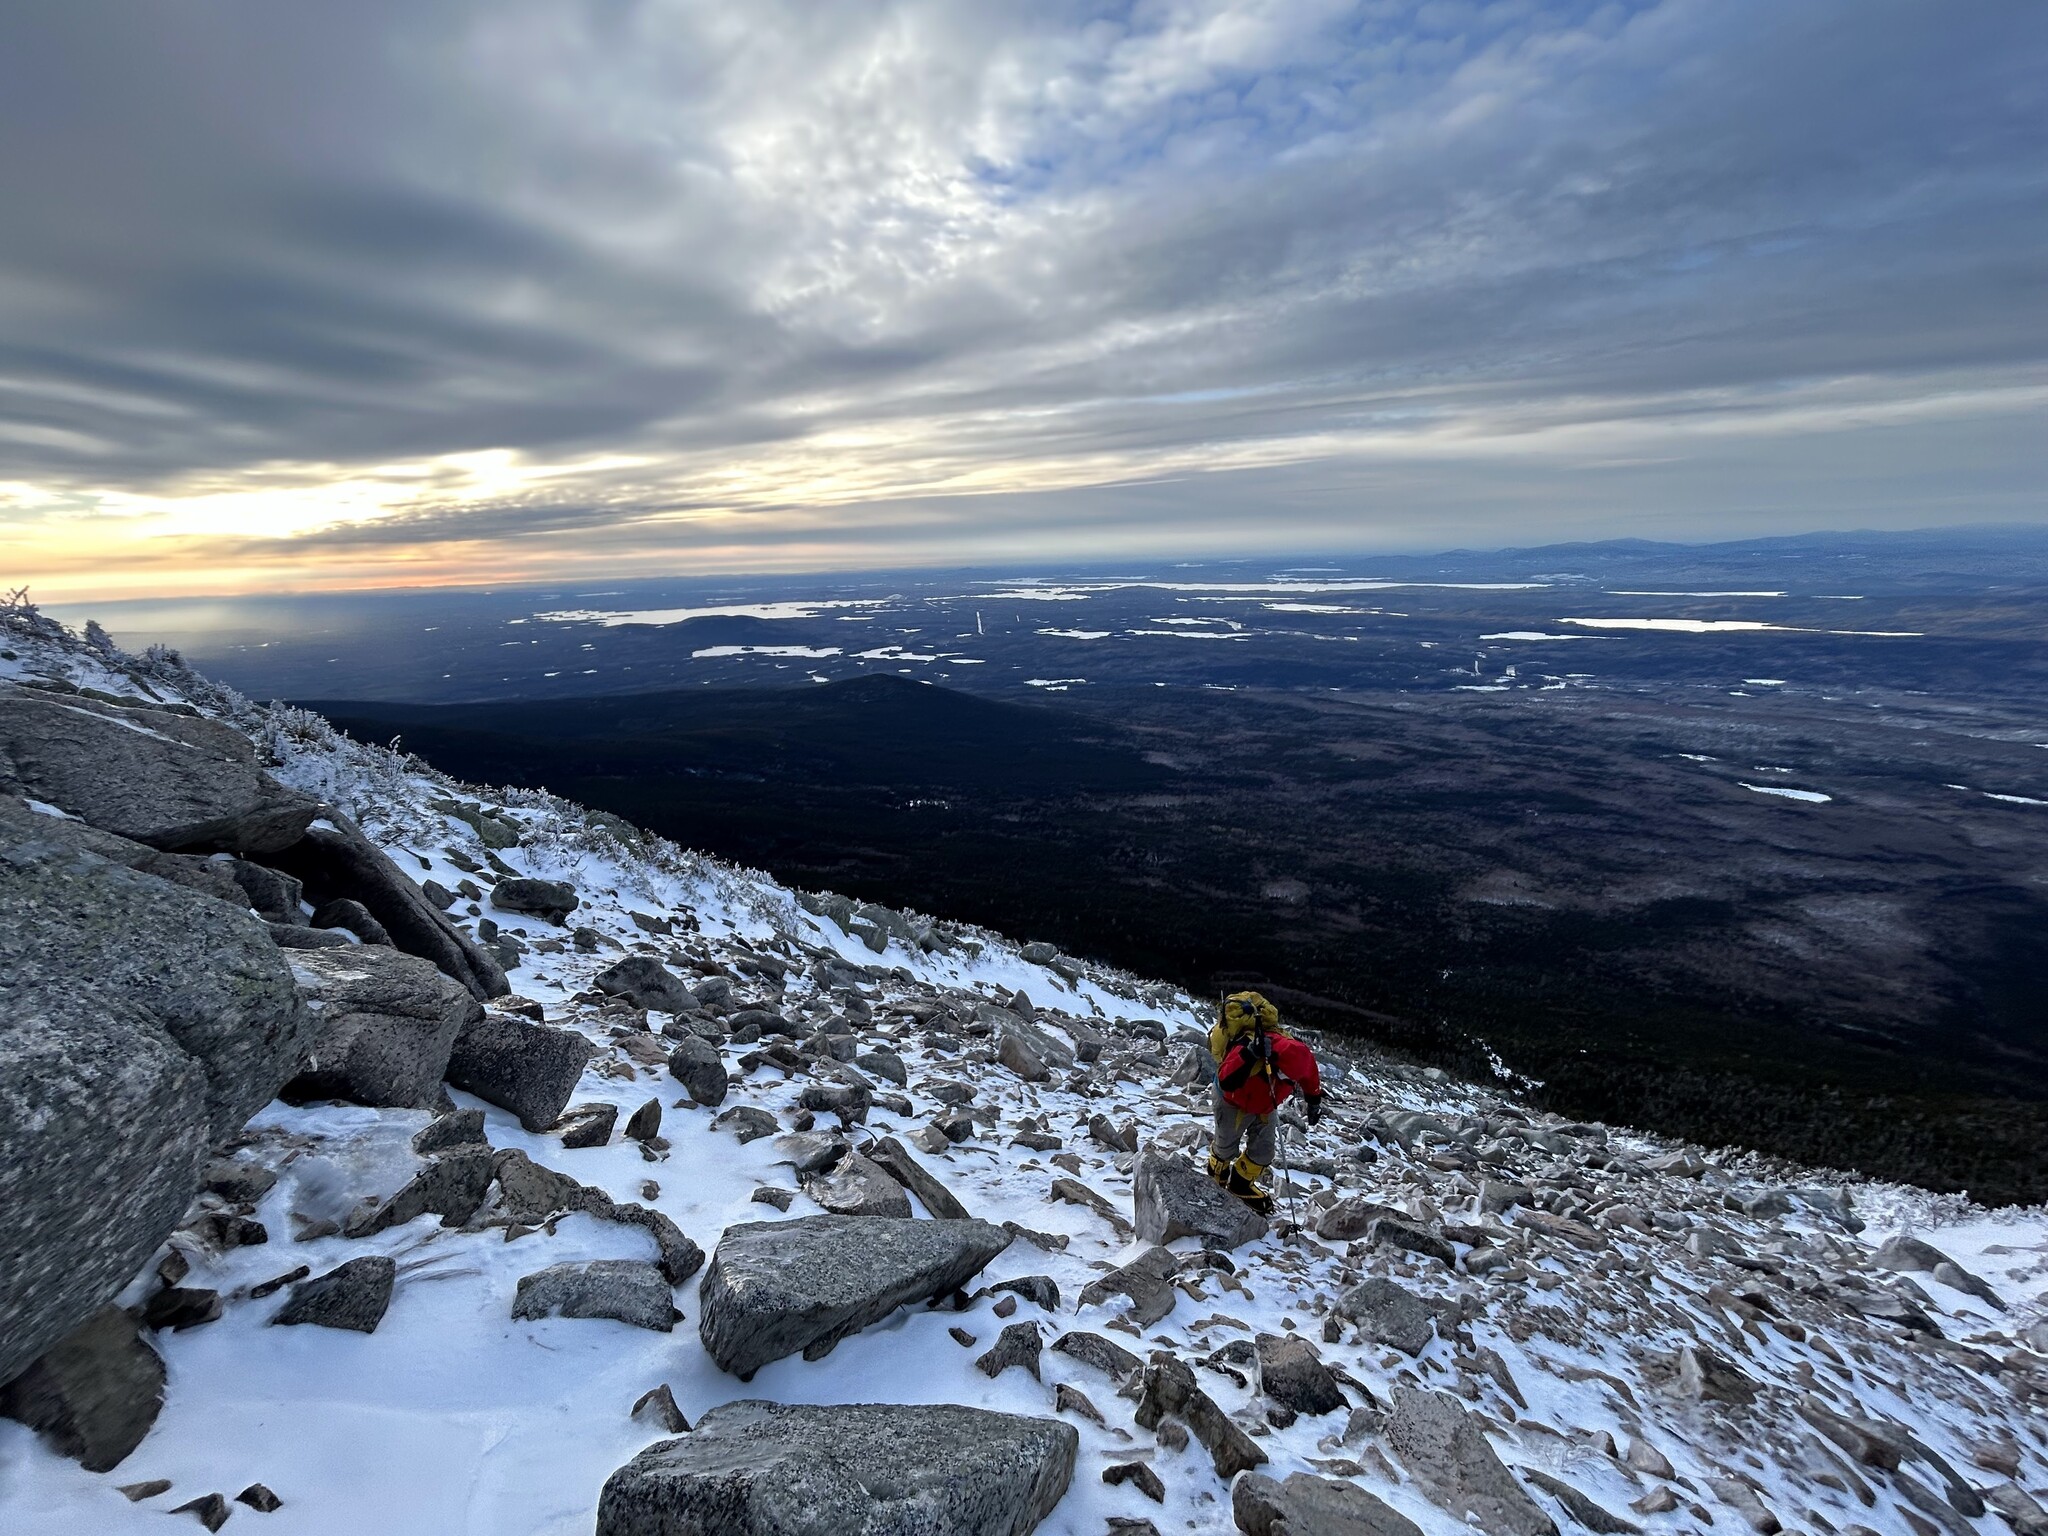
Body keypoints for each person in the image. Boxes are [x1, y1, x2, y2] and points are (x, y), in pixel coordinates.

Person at [1206, 989, 1322, 1212]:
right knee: (1225, 1147)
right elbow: (1226, 1080)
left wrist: (1314, 1100)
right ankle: (1216, 1172)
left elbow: (1310, 1076)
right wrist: (1250, 1055)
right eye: (1286, 1077)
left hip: (1264, 1105)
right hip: (1232, 1102)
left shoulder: (1300, 1057)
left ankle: (1240, 1184)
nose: (1290, 1082)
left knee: (1264, 1151)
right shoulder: (1251, 1047)